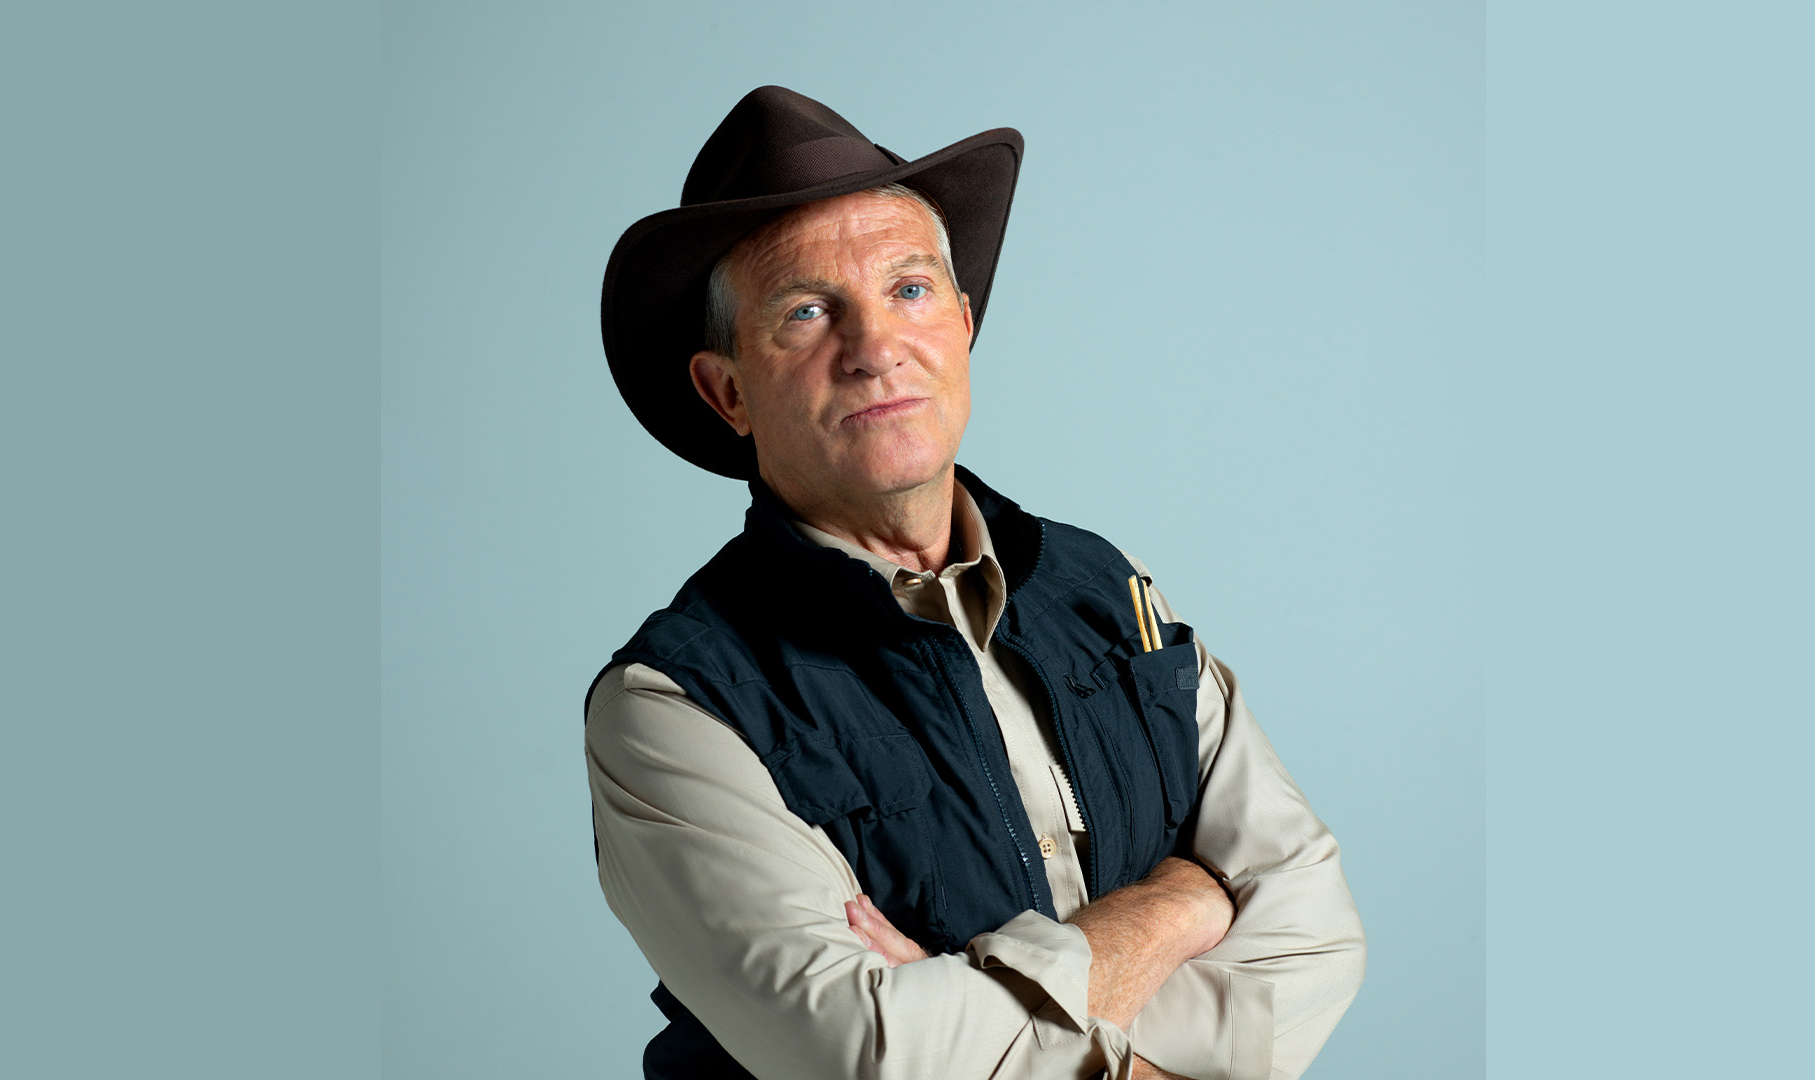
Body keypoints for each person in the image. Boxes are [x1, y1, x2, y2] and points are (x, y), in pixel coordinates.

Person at [585, 86, 1365, 1080]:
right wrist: (1183, 904)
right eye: (807, 312)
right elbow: (868, 1058)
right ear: (727, 389)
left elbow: (1315, 926)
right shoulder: (672, 706)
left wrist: (969, 1008)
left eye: (909, 291)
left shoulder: (1105, 591)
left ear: (961, 324)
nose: (875, 349)